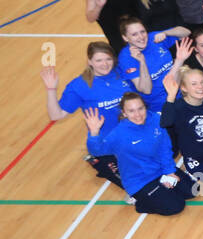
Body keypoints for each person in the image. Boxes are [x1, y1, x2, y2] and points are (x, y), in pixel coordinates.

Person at [83, 94, 198, 215]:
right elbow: (97, 150)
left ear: (145, 107)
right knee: (176, 206)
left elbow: (165, 148)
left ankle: (160, 194)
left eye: (140, 108)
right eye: (131, 111)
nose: (138, 115)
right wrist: (94, 133)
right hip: (141, 181)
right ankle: (140, 203)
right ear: (124, 113)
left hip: (160, 170)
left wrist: (169, 171)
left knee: (193, 190)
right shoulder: (119, 134)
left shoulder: (156, 120)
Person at [42, 42, 136, 187]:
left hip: (134, 134)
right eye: (99, 60)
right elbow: (57, 115)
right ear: (90, 61)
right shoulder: (79, 86)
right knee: (135, 185)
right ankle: (98, 161)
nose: (105, 64)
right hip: (108, 143)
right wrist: (51, 90)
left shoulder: (121, 73)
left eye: (108, 59)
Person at [159, 62, 203, 184]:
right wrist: (171, 96)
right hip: (198, 160)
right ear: (183, 88)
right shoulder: (178, 107)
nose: (200, 87)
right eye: (194, 84)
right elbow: (165, 123)